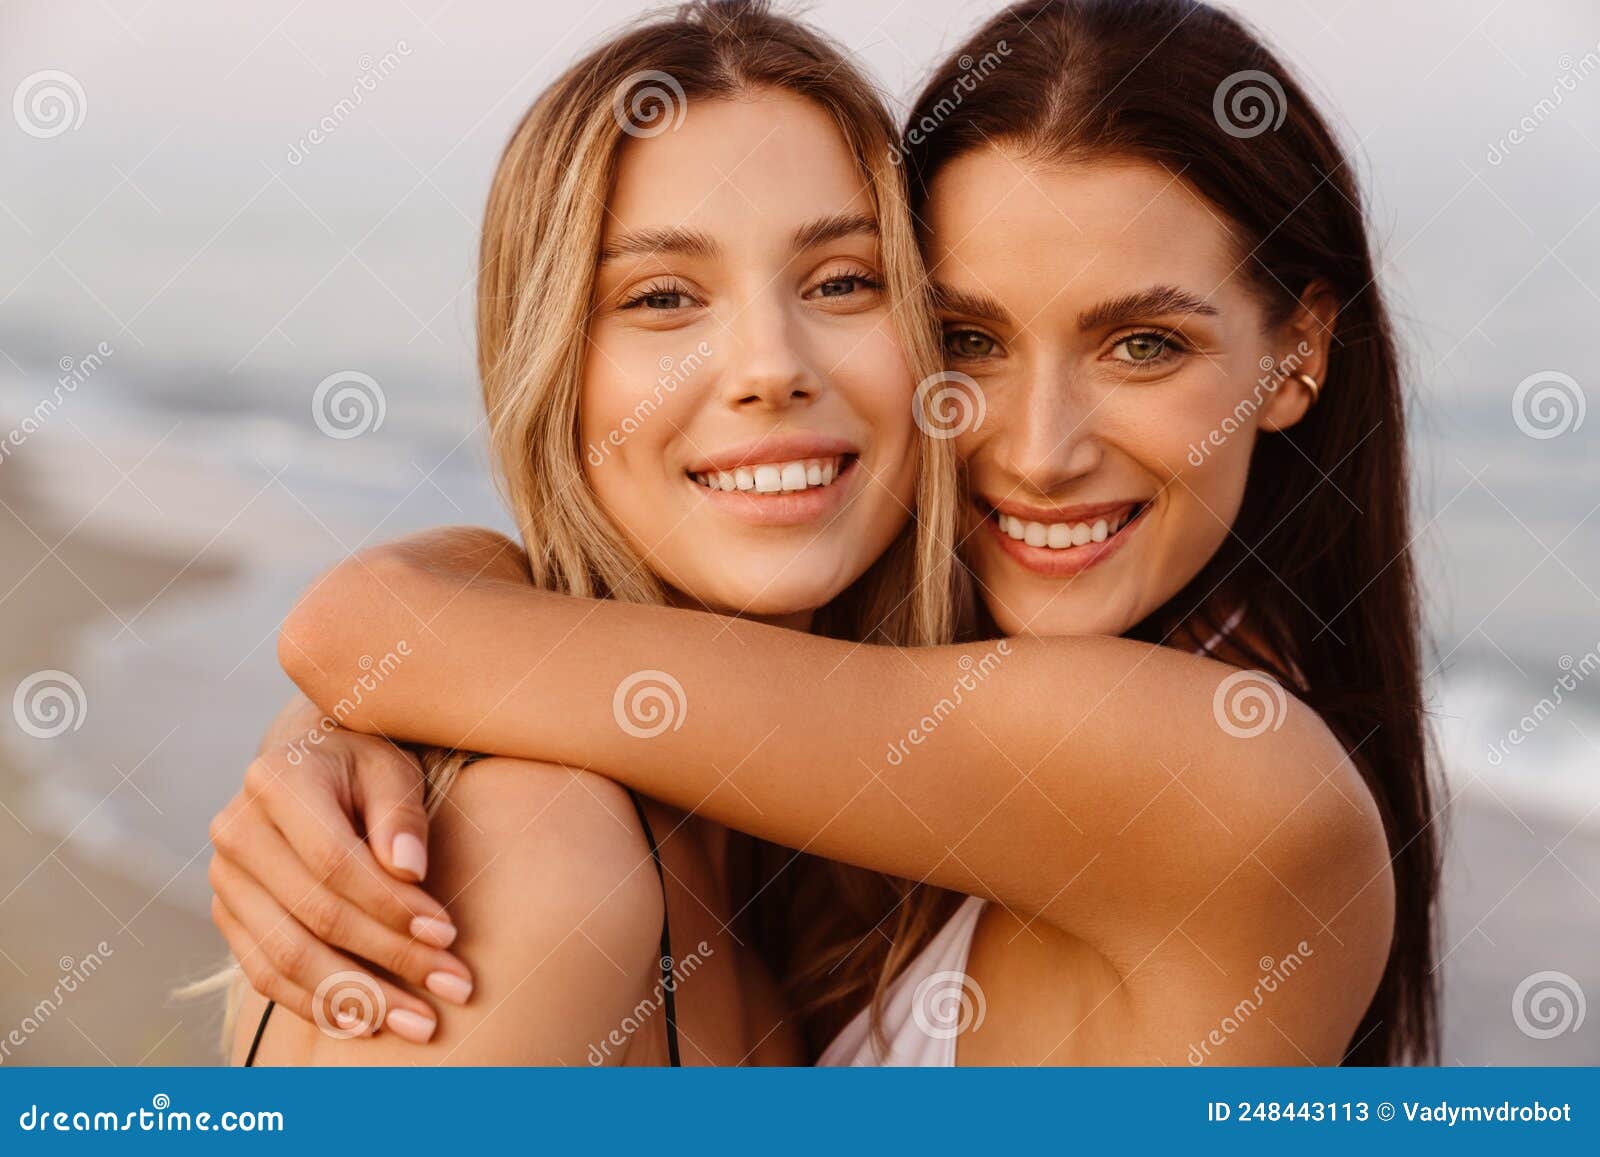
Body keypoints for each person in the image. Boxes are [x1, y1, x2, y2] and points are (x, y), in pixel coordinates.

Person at [214, 0, 1438, 1065]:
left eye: (1143, 344)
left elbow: (371, 624)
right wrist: (354, 708)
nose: (1036, 450)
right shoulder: (615, 831)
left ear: (1296, 354)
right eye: (968, 338)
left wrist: (356, 682)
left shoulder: (1230, 779)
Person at [203, 0, 964, 1065]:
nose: (768, 365)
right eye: (661, 297)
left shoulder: (821, 837)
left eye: (841, 280)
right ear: (549, 364)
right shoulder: (536, 847)